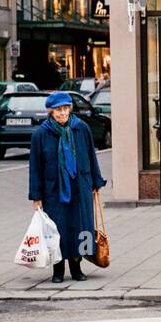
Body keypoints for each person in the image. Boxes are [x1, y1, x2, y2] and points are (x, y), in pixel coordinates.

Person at [29, 91, 107, 282]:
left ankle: (77, 267)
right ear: (51, 111)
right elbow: (35, 167)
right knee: (58, 229)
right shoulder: (41, 134)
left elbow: (91, 155)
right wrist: (36, 196)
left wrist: (96, 181)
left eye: (65, 109)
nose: (63, 113)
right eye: (58, 110)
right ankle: (57, 270)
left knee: (81, 226)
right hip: (54, 190)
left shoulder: (81, 128)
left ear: (70, 109)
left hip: (81, 185)